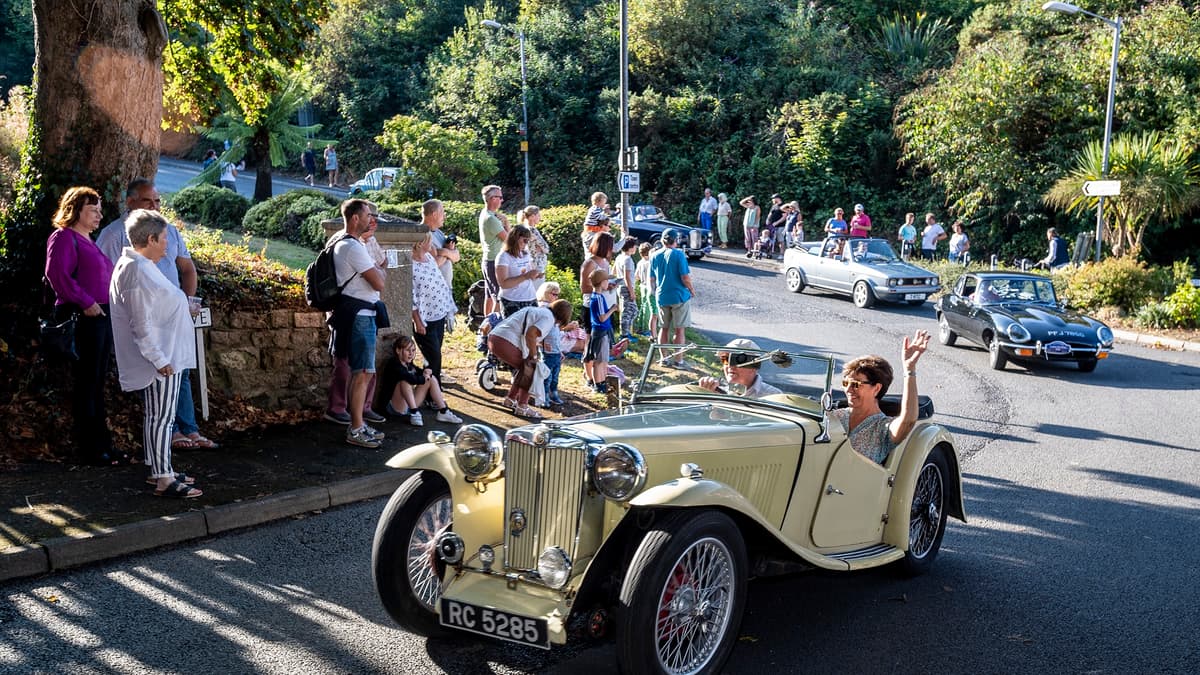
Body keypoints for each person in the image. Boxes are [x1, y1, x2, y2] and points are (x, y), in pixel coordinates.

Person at [96, 178, 215, 450]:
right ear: (130, 202)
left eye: (158, 200)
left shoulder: (169, 231)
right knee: (159, 374)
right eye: (148, 201)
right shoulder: (114, 235)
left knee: (181, 370)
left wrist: (187, 303)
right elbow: (105, 278)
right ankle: (168, 436)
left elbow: (187, 269)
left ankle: (190, 428)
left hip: (175, 315)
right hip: (145, 319)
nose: (155, 205)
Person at [109, 209, 201, 498]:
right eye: (163, 239)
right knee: (162, 418)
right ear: (150, 238)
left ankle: (160, 468)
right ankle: (163, 477)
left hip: (165, 353)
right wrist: (160, 360)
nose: (167, 245)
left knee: (157, 416)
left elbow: (154, 309)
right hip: (161, 358)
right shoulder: (135, 270)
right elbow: (141, 323)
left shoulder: (141, 265)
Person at [44, 187, 131, 467]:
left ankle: (103, 445)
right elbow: (56, 275)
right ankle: (91, 449)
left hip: (102, 316)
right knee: (87, 382)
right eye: (92, 210)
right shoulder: (64, 237)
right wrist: (85, 302)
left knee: (96, 382)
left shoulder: (89, 240)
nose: (99, 215)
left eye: (99, 210)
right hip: (84, 316)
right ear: (75, 210)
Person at [329, 199, 387, 448]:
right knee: (362, 373)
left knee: (360, 372)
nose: (370, 220)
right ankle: (355, 429)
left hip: (356, 313)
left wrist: (376, 269)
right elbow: (380, 282)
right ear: (355, 218)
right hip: (360, 315)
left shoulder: (343, 242)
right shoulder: (353, 247)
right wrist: (378, 270)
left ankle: (359, 424)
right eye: (367, 215)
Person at [830, 330, 930, 465]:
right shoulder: (836, 416)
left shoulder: (882, 428)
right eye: (845, 383)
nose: (848, 389)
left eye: (855, 384)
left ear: (876, 388)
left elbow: (908, 421)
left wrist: (909, 370)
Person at [487, 300, 575, 419]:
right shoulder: (548, 318)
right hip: (504, 340)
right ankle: (522, 406)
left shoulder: (541, 311)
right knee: (532, 368)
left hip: (496, 338)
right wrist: (533, 356)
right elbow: (531, 334)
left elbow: (530, 334)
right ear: (563, 317)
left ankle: (511, 399)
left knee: (525, 367)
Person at [382, 335, 462, 426]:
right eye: (408, 350)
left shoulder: (408, 363)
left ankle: (443, 411)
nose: (411, 354)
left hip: (408, 405)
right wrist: (424, 377)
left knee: (431, 378)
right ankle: (415, 413)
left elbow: (418, 372)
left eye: (413, 350)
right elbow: (411, 379)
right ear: (398, 351)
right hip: (395, 407)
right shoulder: (394, 364)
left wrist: (426, 372)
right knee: (404, 382)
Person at [412, 231, 457, 387]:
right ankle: (432, 394)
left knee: (434, 357)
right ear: (420, 244)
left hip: (439, 313)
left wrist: (449, 308)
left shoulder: (429, 258)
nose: (431, 246)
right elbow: (411, 297)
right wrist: (417, 321)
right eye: (428, 242)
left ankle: (430, 392)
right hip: (425, 319)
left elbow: (440, 282)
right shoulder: (410, 265)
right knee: (434, 358)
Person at [650, 229, 695, 367]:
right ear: (676, 240)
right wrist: (691, 290)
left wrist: (654, 291)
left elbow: (652, 279)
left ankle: (664, 358)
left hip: (662, 295)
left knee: (663, 328)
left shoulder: (655, 255)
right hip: (679, 295)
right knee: (679, 329)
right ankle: (678, 360)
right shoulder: (678, 255)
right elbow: (685, 277)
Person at [698, 339, 783, 398]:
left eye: (737, 360)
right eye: (725, 359)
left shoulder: (773, 396)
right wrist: (710, 397)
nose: (730, 366)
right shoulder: (713, 389)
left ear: (755, 366)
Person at [584, 269, 619, 394]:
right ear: (602, 282)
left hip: (602, 331)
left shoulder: (598, 296)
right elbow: (602, 317)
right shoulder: (598, 298)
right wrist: (613, 309)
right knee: (599, 361)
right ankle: (599, 385)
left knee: (603, 359)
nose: (608, 283)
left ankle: (602, 381)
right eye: (607, 281)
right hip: (600, 332)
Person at [496, 224, 542, 316]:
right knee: (514, 330)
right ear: (515, 239)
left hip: (530, 297)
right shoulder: (503, 256)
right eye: (525, 240)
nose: (526, 244)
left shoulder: (525, 254)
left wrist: (535, 275)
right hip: (512, 299)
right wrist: (525, 276)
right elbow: (503, 284)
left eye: (528, 241)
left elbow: (528, 274)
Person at [536, 282, 570, 406]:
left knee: (555, 375)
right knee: (547, 374)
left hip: (555, 349)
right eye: (554, 294)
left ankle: (553, 393)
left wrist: (559, 350)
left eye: (557, 295)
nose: (556, 297)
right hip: (547, 349)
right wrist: (540, 343)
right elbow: (541, 331)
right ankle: (544, 396)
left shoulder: (553, 310)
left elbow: (555, 332)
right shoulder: (544, 309)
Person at [477, 184, 509, 316]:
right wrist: (506, 223)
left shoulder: (487, 214)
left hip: (488, 260)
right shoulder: (491, 219)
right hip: (495, 261)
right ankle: (493, 328)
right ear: (491, 199)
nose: (502, 200)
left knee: (489, 295)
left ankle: (486, 327)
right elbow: (510, 240)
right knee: (498, 296)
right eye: (500, 197)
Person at [423, 199, 459, 290]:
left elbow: (456, 257)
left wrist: (443, 251)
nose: (445, 216)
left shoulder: (439, 233)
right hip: (433, 289)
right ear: (434, 214)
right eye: (442, 212)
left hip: (446, 288)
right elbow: (434, 263)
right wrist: (448, 252)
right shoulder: (422, 234)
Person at [613, 236, 639, 343]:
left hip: (621, 287)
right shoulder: (627, 259)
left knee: (632, 311)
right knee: (628, 312)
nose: (636, 248)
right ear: (631, 247)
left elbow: (614, 271)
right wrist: (631, 292)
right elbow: (627, 276)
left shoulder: (619, 257)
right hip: (626, 288)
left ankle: (627, 332)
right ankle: (624, 335)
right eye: (635, 246)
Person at [518, 204, 551, 276]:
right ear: (532, 216)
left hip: (529, 263)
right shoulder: (532, 230)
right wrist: (541, 248)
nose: (540, 217)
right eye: (538, 215)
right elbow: (546, 249)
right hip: (536, 264)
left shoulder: (524, 228)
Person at [634, 241, 657, 339]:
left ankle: (639, 326)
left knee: (643, 306)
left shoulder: (640, 262)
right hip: (649, 286)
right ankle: (645, 329)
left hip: (642, 286)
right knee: (648, 309)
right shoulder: (650, 263)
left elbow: (637, 276)